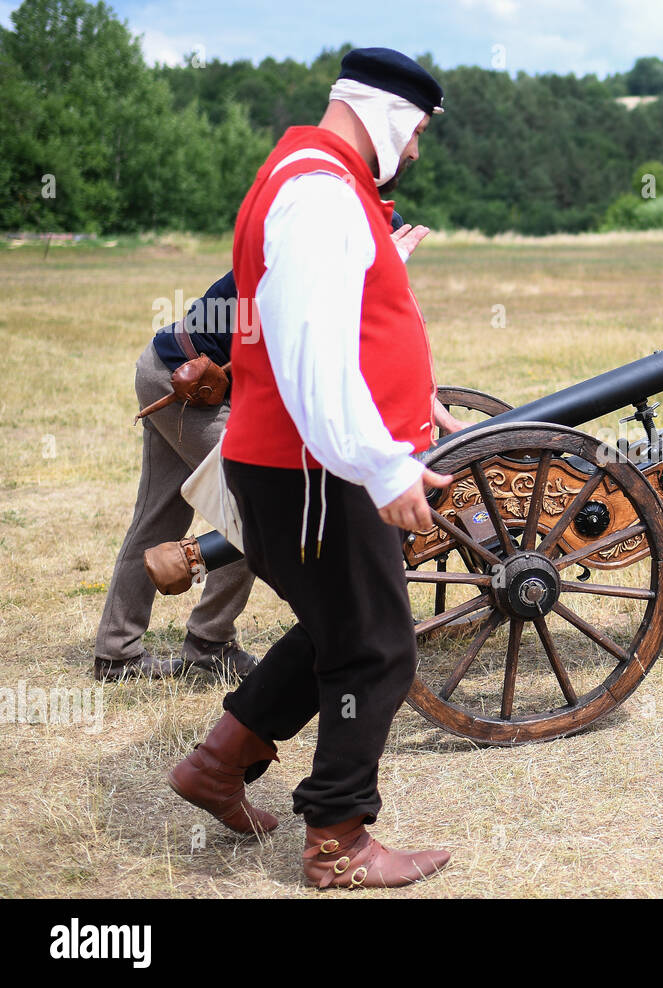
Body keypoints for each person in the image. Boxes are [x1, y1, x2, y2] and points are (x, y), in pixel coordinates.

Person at [167, 48, 462, 889]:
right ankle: (339, 840)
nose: (411, 157)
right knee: (376, 648)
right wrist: (383, 464)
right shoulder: (322, 191)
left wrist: (413, 401)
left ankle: (219, 764)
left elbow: (345, 323)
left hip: (300, 465)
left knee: (341, 624)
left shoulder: (309, 176)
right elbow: (308, 358)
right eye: (414, 138)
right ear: (394, 117)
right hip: (312, 472)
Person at [93, 214, 431, 683]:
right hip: (190, 389)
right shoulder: (314, 274)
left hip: (167, 369)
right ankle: (207, 645)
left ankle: (116, 652)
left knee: (159, 517)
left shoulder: (317, 259)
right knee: (254, 509)